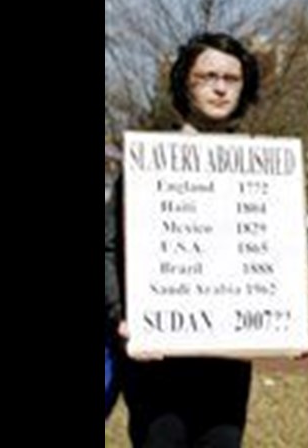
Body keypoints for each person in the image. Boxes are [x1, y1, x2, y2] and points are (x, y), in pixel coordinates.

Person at [105, 33, 264, 448]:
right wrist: (122, 314)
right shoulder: (146, 163)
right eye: (207, 75)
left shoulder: (263, 169)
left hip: (227, 359)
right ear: (184, 83)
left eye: (232, 77)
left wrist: (292, 317)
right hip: (157, 358)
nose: (220, 86)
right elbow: (108, 248)